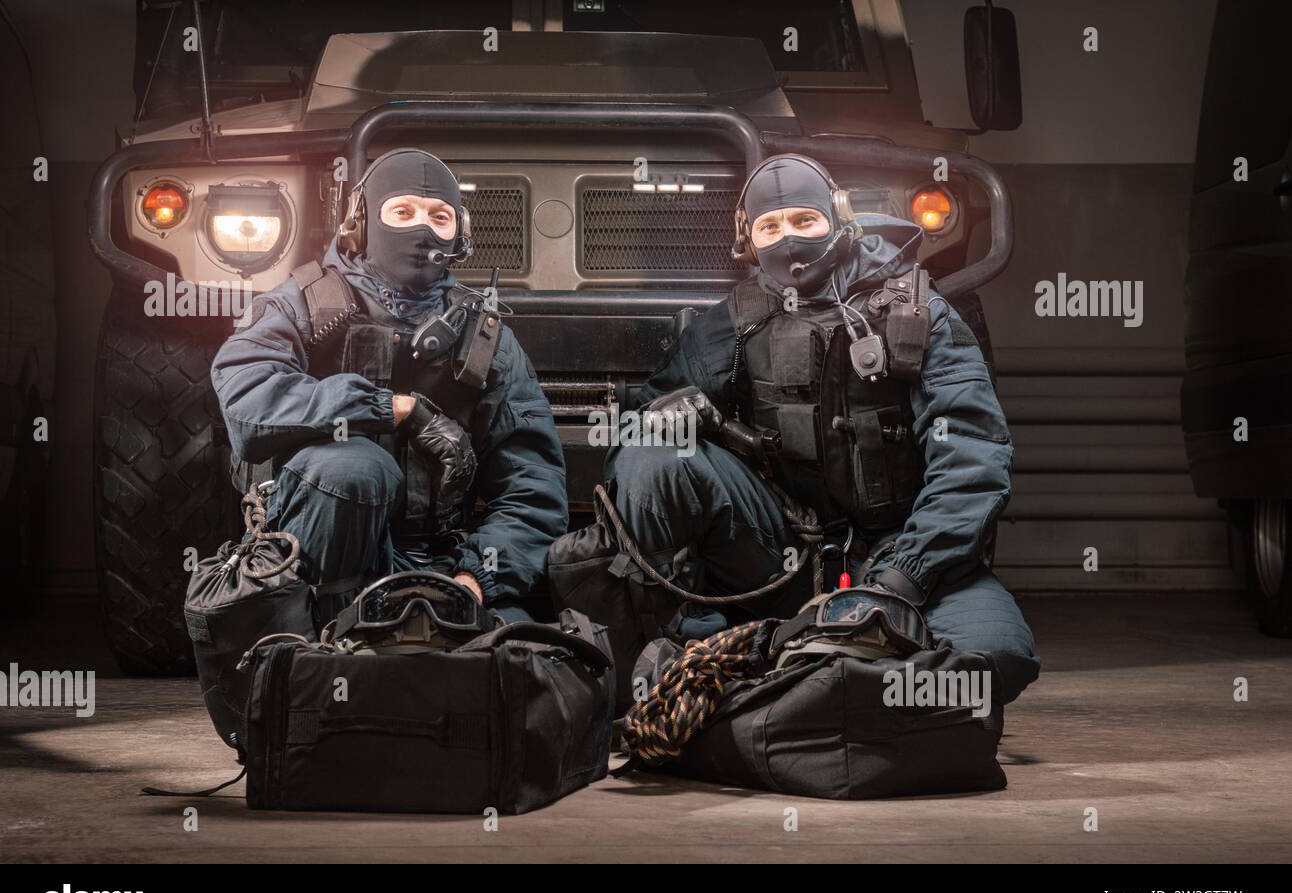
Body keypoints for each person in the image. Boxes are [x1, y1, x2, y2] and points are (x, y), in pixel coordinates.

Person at [599, 153, 1040, 703]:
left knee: (995, 658)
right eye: (770, 227)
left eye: (805, 221)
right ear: (747, 239)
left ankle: (792, 660)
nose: (789, 240)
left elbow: (974, 457)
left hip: (906, 557)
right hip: (783, 556)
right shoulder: (731, 324)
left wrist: (904, 575)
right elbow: (633, 437)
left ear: (838, 219)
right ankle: (786, 650)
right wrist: (671, 418)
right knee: (651, 449)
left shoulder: (917, 311)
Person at [211, 148, 567, 623]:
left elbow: (533, 488)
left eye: (439, 217)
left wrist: (476, 580)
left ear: (459, 235)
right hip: (303, 565)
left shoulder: (486, 341)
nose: (422, 230)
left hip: (439, 566)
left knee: (532, 664)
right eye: (401, 212)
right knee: (354, 469)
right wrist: (392, 409)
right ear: (360, 222)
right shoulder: (297, 307)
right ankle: (329, 635)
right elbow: (247, 403)